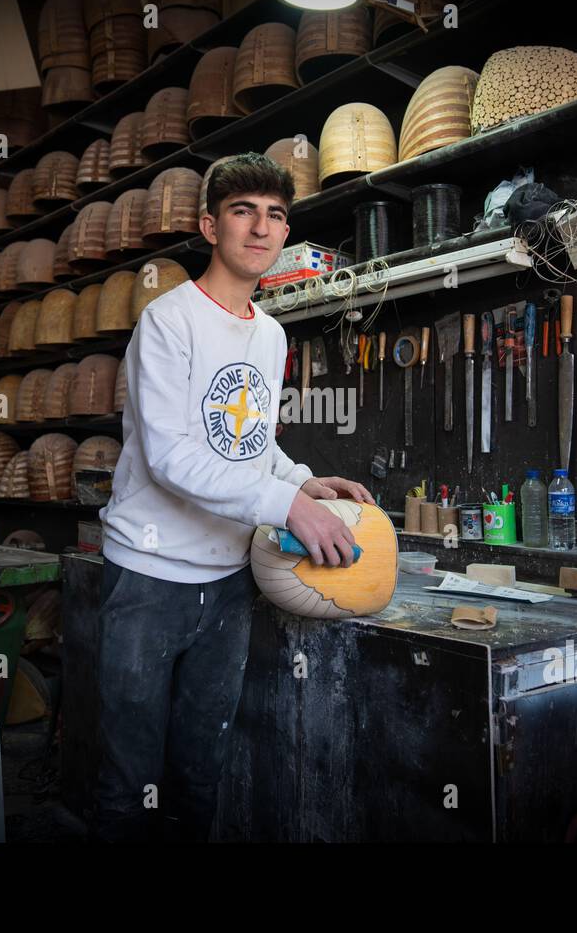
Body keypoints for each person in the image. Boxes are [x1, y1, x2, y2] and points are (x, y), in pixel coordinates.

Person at [92, 152, 374, 842]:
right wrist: (288, 508)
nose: (261, 227)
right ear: (208, 225)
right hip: (149, 576)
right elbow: (171, 457)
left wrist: (300, 479)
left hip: (226, 582)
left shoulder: (271, 333)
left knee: (199, 775)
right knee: (128, 784)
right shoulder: (168, 321)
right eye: (243, 211)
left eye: (275, 214)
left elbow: (245, 441)